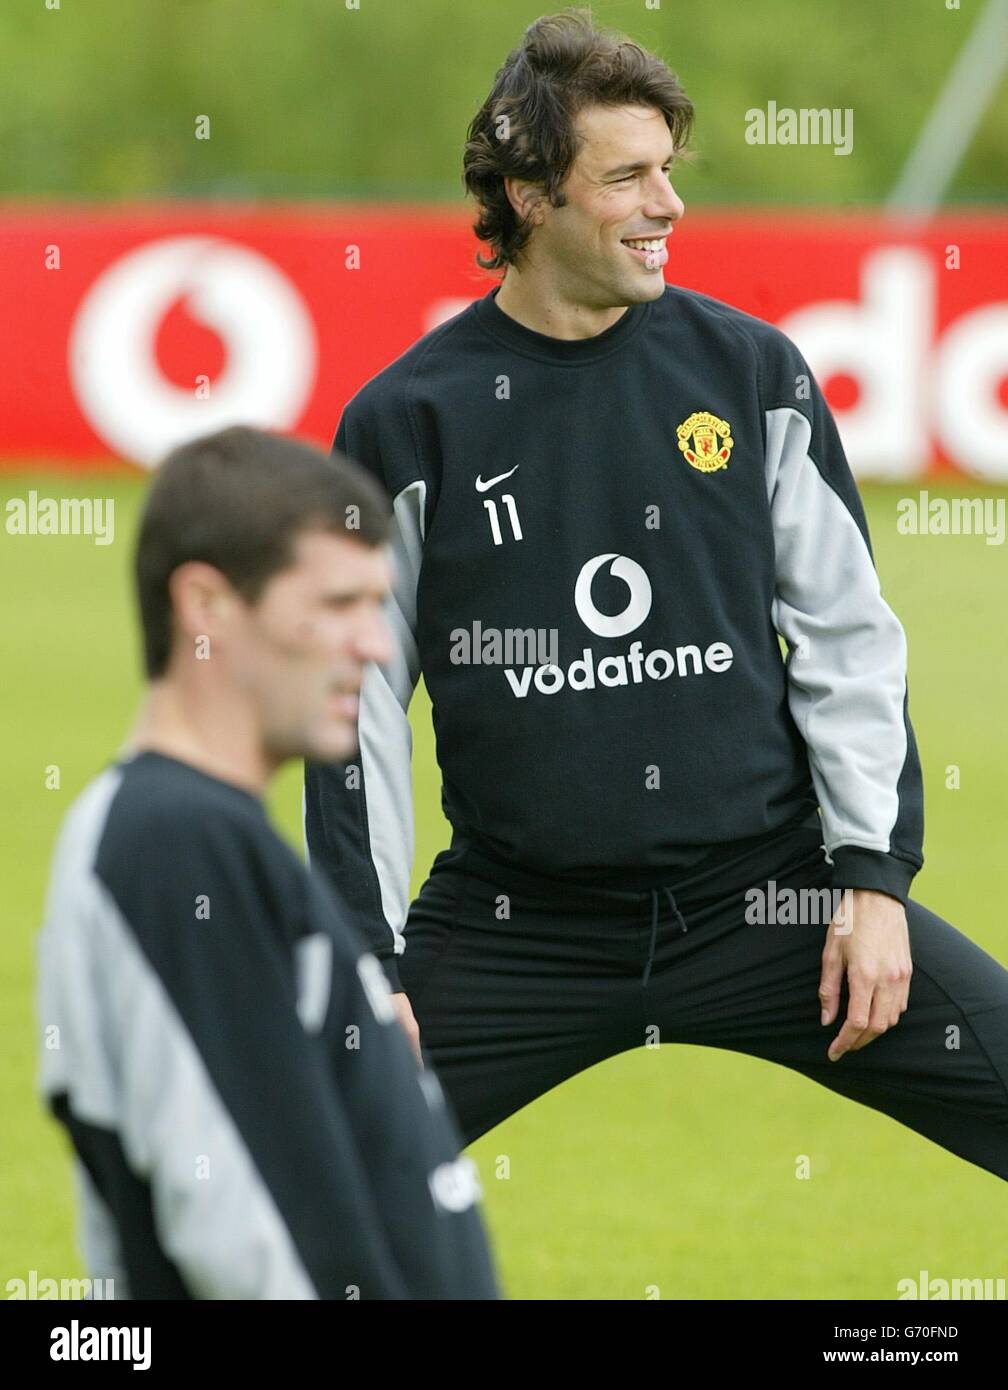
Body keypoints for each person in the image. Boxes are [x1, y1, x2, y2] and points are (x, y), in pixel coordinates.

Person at [304, 10, 1008, 1189]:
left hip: (773, 906)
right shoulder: (407, 423)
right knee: (293, 1175)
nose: (667, 204)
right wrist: (368, 973)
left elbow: (847, 641)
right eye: (626, 176)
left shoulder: (750, 373)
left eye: (668, 170)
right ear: (531, 195)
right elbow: (353, 714)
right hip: (515, 924)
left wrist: (873, 884)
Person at [37, 426, 499, 1300]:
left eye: (378, 605)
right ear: (206, 608)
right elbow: (252, 1238)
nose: (374, 643)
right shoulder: (176, 847)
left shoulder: (211, 834)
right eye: (337, 605)